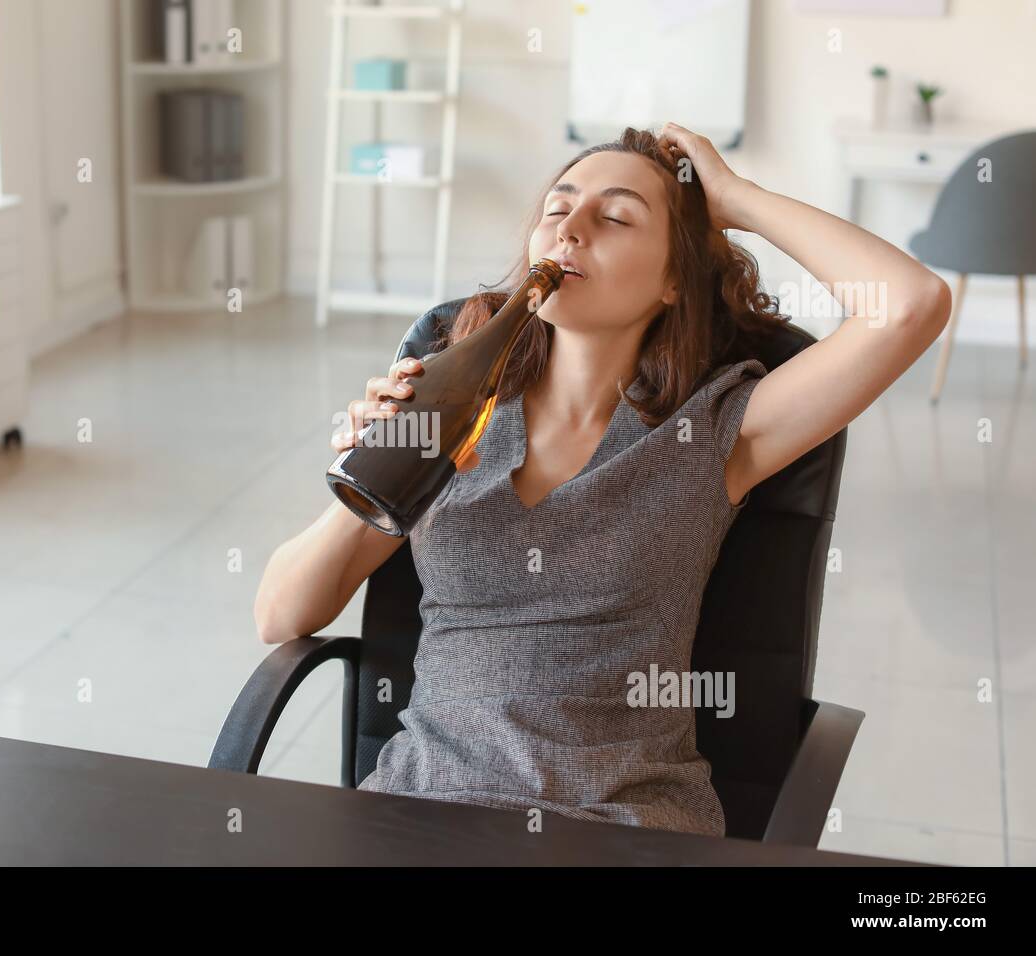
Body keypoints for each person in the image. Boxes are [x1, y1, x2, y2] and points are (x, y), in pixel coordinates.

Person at [253, 123, 951, 836]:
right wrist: (378, 471)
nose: (572, 229)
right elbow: (281, 617)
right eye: (557, 210)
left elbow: (910, 304)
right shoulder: (452, 401)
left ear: (676, 280)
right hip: (424, 807)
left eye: (616, 216)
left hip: (622, 822)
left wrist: (738, 200)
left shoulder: (716, 430)